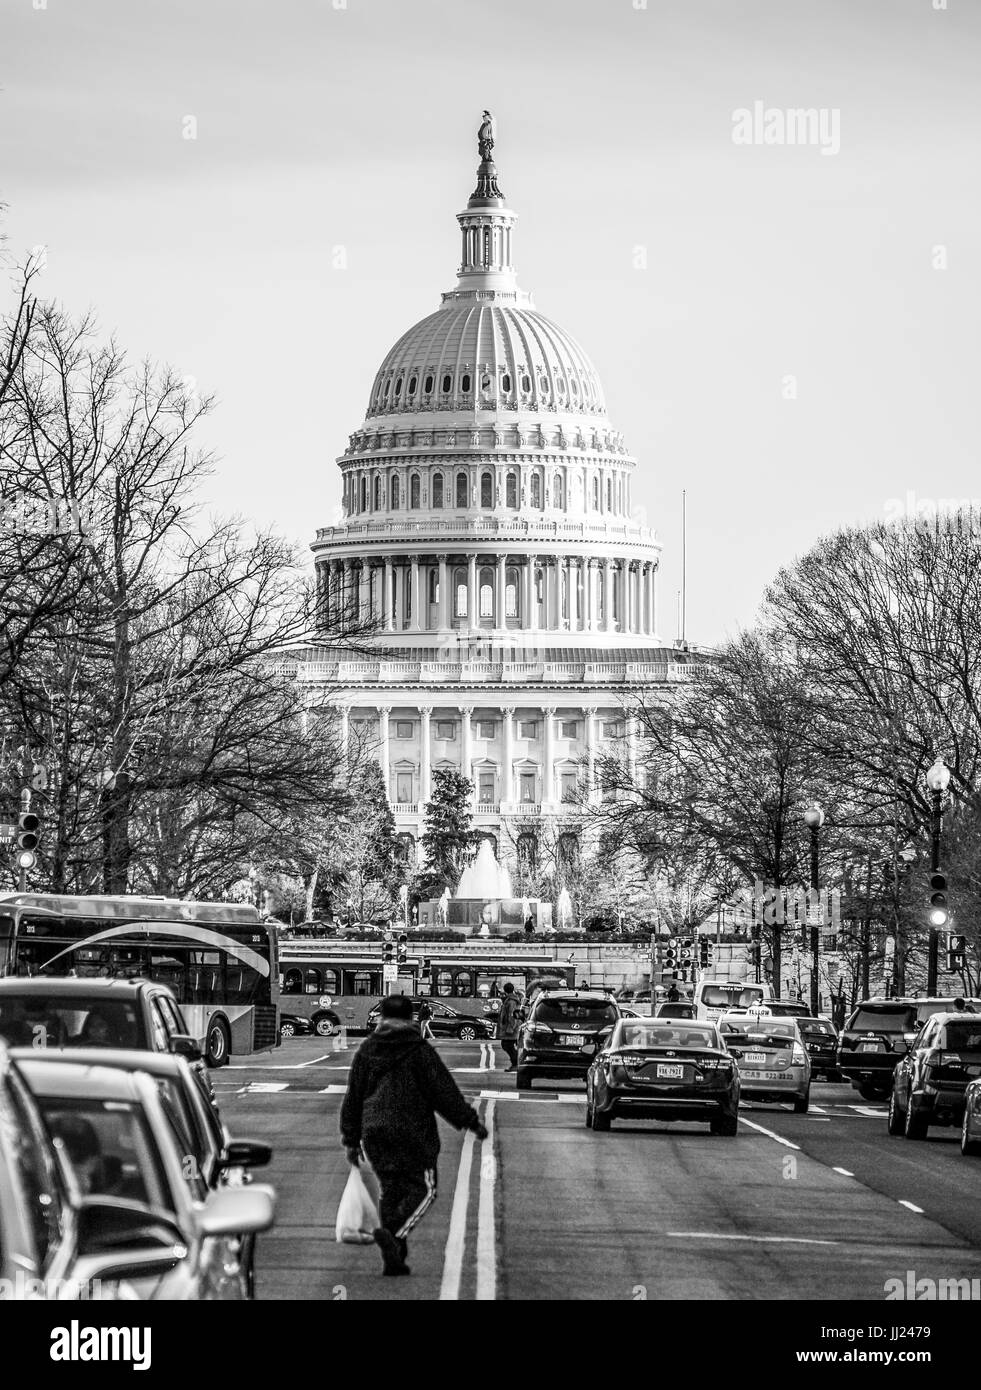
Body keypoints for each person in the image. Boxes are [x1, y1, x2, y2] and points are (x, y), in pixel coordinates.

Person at [340, 993, 487, 1277]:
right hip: (413, 1131)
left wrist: (350, 1138)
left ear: (382, 1017)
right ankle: (392, 1237)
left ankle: (394, 1257)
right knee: (424, 1190)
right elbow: (443, 1092)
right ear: (411, 1019)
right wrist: (471, 1122)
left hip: (375, 1133)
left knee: (391, 1190)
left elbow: (353, 1097)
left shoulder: (367, 1050)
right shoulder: (419, 1050)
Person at [497, 982, 523, 1071]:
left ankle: (516, 1064)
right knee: (507, 1045)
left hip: (511, 1029)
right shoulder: (510, 999)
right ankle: (516, 1064)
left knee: (507, 1045)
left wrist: (510, 1028)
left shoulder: (511, 1001)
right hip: (511, 1028)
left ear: (505, 990)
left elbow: (512, 1016)